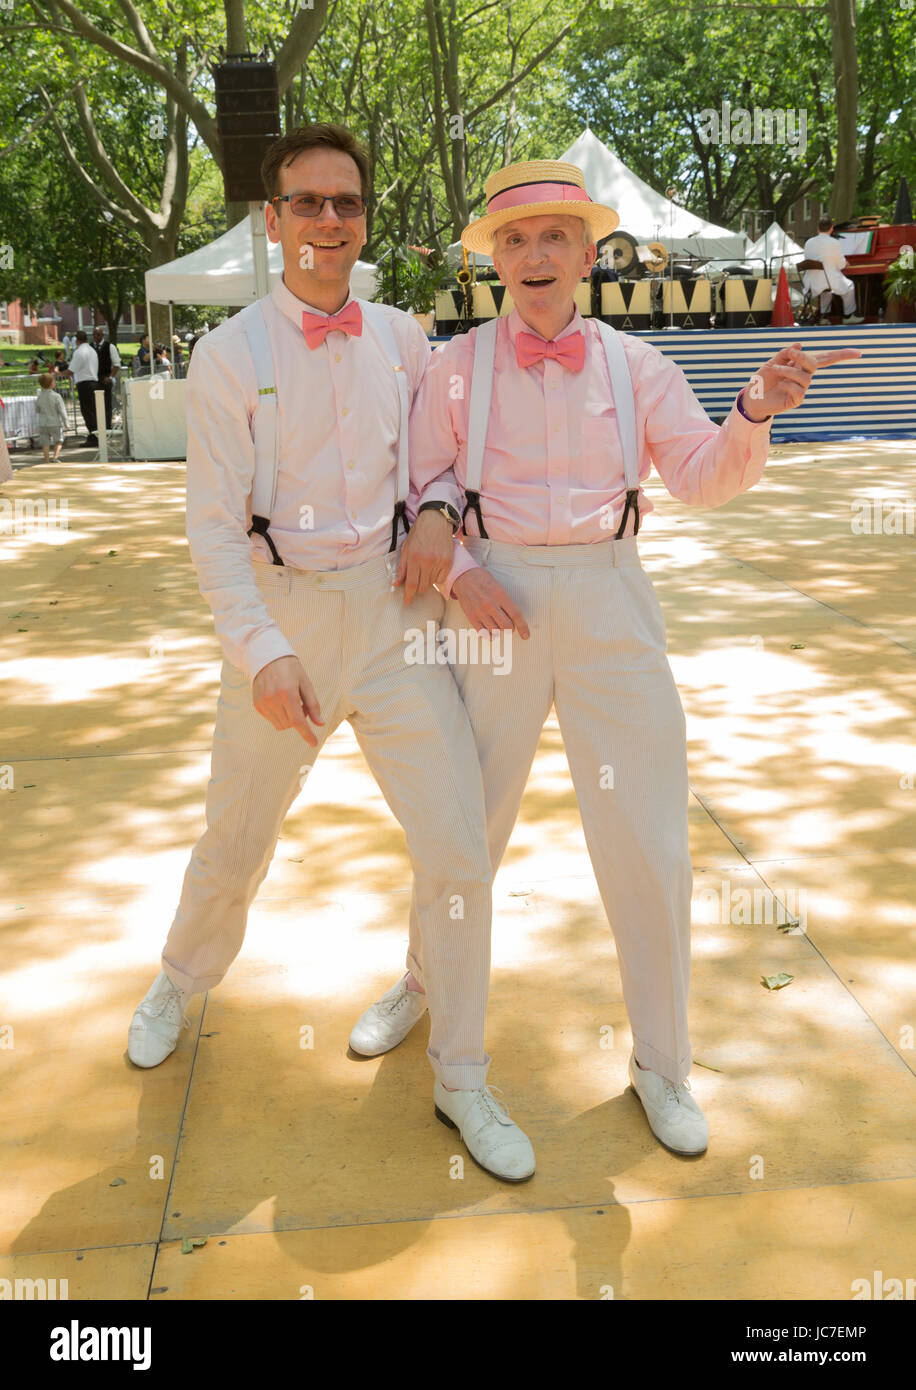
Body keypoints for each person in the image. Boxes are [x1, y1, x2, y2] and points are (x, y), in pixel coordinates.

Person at [353, 158, 862, 1160]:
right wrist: (458, 570)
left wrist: (754, 409)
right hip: (490, 600)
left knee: (646, 841)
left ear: (588, 254)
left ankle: (661, 1064)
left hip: (611, 600)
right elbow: (420, 490)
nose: (533, 255)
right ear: (492, 259)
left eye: (553, 238)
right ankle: (424, 982)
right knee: (465, 828)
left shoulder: (640, 370)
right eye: (513, 240)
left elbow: (702, 480)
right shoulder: (453, 369)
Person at [126, 122, 535, 1184]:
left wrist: (439, 516)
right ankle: (179, 977)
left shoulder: (406, 341)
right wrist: (259, 651)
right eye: (306, 203)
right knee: (236, 838)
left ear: (364, 219)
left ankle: (460, 1072)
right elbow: (211, 526)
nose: (327, 221)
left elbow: (440, 464)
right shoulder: (228, 357)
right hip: (282, 622)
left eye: (344, 203)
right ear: (273, 220)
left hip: (395, 617)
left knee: (456, 846)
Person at [803, 216, 864, 323]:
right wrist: (845, 263)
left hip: (811, 282)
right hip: (828, 281)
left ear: (818, 228)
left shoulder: (808, 242)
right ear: (831, 228)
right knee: (849, 286)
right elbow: (841, 265)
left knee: (826, 291)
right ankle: (848, 316)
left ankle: (824, 317)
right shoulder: (834, 243)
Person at [68, 330, 99, 447]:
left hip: (85, 384)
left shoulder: (79, 351)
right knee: (93, 411)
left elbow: (71, 370)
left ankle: (93, 436)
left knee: (87, 411)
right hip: (93, 382)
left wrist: (58, 374)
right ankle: (95, 435)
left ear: (77, 340)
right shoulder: (92, 350)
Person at [34, 372, 68, 463]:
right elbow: (62, 411)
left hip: (43, 423)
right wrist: (66, 424)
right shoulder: (56, 396)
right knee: (59, 440)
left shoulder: (39, 397)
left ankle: (47, 461)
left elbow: (37, 409)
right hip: (55, 423)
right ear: (51, 383)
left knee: (45, 443)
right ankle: (55, 458)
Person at [92, 325, 121, 428]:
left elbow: (117, 364)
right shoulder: (90, 347)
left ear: (102, 335)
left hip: (105, 379)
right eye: (94, 334)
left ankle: (107, 426)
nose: (96, 336)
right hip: (93, 379)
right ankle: (97, 427)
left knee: (107, 405)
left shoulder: (110, 347)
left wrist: (110, 377)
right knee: (94, 405)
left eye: (98, 334)